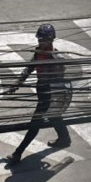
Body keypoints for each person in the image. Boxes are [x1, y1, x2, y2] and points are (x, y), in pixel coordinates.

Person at [5, 23, 73, 165]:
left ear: (51, 40)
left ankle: (18, 153)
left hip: (51, 93)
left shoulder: (56, 59)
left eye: (44, 40)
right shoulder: (38, 53)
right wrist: (16, 84)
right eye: (39, 40)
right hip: (42, 91)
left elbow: (60, 81)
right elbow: (28, 69)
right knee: (54, 116)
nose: (41, 43)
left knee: (34, 124)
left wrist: (56, 99)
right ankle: (64, 139)